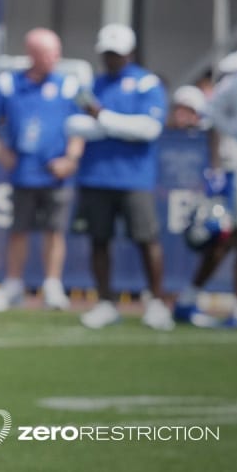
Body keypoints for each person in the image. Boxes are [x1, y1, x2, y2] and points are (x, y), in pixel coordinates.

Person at [66, 24, 172, 330]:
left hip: (134, 178)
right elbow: (73, 124)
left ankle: (156, 302)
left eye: (116, 54)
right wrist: (113, 126)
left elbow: (148, 129)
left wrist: (103, 120)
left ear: (130, 54)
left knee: (146, 239)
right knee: (99, 240)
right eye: (107, 54)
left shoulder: (146, 84)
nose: (110, 60)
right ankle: (105, 302)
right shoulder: (95, 85)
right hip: (96, 176)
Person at [0, 28, 82, 312]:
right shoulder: (9, 84)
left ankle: (52, 284)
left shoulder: (68, 86)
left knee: (55, 230)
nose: (55, 58)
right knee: (18, 229)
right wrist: (1, 154)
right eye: (49, 52)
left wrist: (71, 159)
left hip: (55, 172)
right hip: (23, 170)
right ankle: (13, 284)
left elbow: (80, 126)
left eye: (56, 51)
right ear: (33, 54)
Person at [175, 57, 237, 328]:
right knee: (226, 237)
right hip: (235, 172)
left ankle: (189, 300)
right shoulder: (235, 82)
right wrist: (217, 167)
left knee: (230, 240)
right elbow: (211, 113)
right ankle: (193, 300)